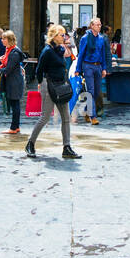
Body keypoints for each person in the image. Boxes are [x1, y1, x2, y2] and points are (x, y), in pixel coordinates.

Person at [27, 23, 81, 160]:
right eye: (62, 35)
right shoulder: (47, 51)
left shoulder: (59, 49)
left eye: (64, 34)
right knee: (44, 117)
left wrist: (66, 45)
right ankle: (30, 143)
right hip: (49, 85)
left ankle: (67, 147)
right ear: (54, 36)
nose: (64, 37)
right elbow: (39, 69)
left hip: (60, 86)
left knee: (66, 118)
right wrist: (40, 83)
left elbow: (67, 58)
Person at [75, 17, 111, 124]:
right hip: (88, 66)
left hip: (98, 66)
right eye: (97, 25)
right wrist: (78, 69)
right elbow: (81, 54)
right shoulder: (85, 38)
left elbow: (103, 54)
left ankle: (86, 111)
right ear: (92, 26)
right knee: (90, 90)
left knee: (96, 92)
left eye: (100, 25)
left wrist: (104, 68)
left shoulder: (101, 38)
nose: (99, 26)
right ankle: (93, 116)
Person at [0, 30, 26, 135]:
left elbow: (8, 69)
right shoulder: (9, 50)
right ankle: (16, 126)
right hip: (12, 80)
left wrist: (1, 68)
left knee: (15, 104)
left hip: (14, 81)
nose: (2, 40)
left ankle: (13, 127)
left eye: (3, 38)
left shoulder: (14, 52)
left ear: (9, 40)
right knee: (14, 103)